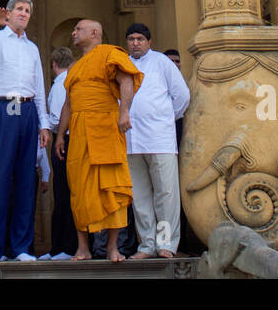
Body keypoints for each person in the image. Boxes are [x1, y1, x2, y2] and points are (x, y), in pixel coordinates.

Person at [55, 19, 142, 262]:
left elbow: (126, 81)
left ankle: (113, 248)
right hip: (79, 132)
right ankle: (83, 247)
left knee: (112, 189)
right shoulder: (74, 68)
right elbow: (68, 104)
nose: (73, 33)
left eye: (78, 29)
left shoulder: (109, 53)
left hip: (105, 126)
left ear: (94, 33)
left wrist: (124, 112)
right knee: (80, 190)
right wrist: (60, 135)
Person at [0, 0, 50, 263]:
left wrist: (44, 124)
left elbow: (39, 88)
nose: (24, 13)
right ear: (9, 12)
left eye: (28, 10)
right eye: (19, 9)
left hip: (27, 110)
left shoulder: (32, 48)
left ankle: (21, 248)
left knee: (26, 179)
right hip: (1, 108)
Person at [122, 24, 189, 260]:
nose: (135, 43)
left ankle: (166, 244)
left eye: (140, 38)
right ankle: (147, 245)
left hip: (160, 138)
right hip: (131, 140)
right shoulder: (122, 64)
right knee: (139, 196)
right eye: (131, 39)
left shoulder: (162, 63)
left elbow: (182, 96)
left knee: (166, 194)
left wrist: (163, 117)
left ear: (149, 42)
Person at [46, 46, 78, 258]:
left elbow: (59, 119)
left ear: (54, 65)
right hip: (67, 139)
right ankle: (60, 246)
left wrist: (43, 123)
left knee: (64, 193)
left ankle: (65, 246)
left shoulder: (60, 86)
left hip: (64, 140)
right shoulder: (71, 81)